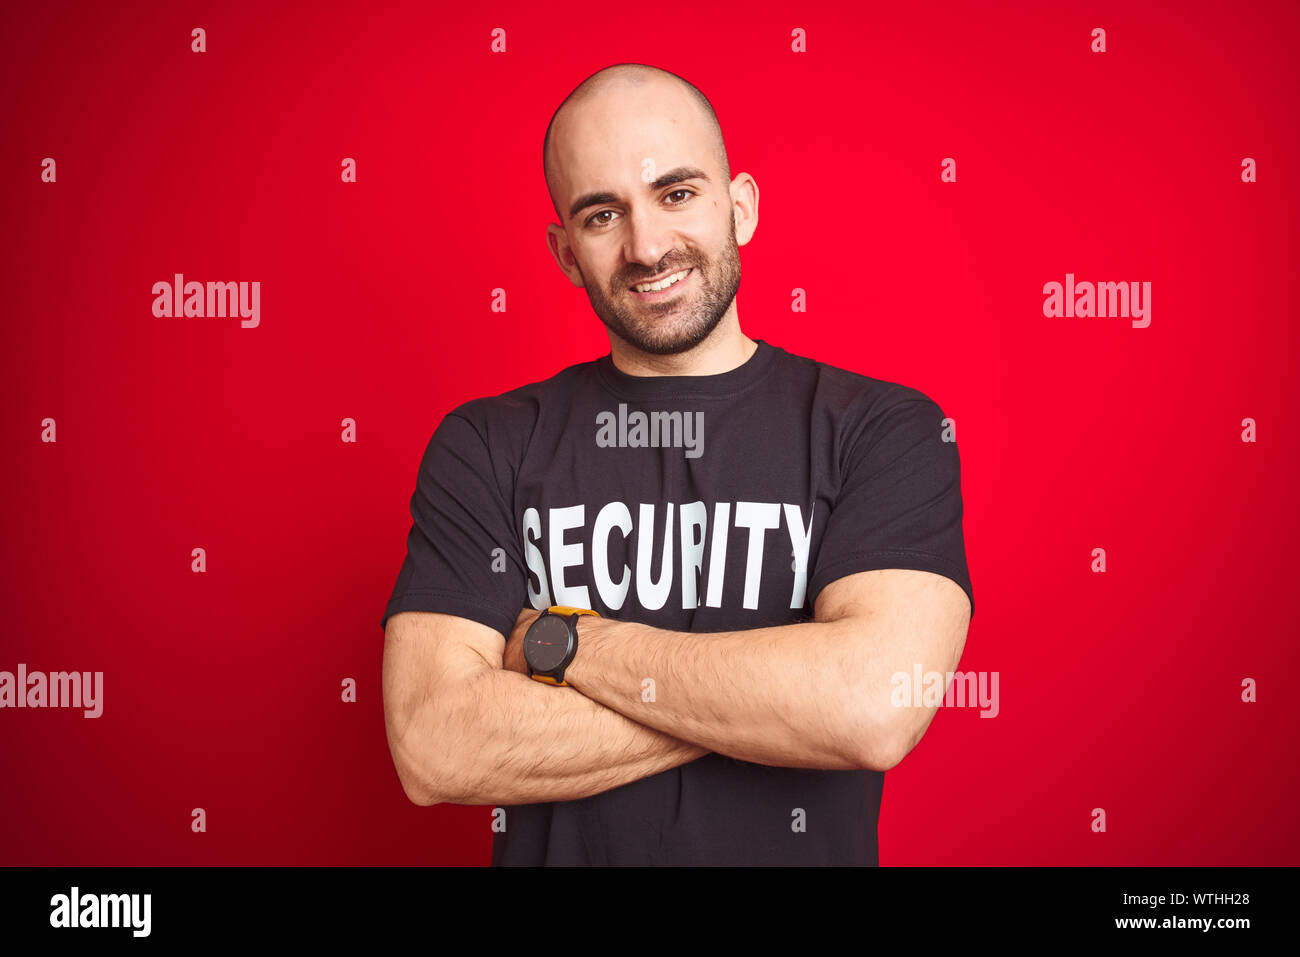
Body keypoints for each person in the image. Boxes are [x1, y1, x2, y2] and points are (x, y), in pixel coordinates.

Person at [380, 62, 974, 866]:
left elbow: (871, 705)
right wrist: (777, 695)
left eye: (677, 194)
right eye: (602, 214)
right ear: (564, 253)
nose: (647, 245)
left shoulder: (884, 430)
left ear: (741, 208)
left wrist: (560, 646)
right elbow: (433, 746)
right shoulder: (485, 445)